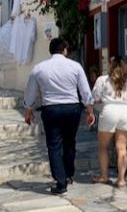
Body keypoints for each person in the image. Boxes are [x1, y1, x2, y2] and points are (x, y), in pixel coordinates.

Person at [24, 38, 95, 195]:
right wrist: (90, 111)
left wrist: (28, 110)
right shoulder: (75, 66)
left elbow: (31, 92)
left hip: (51, 109)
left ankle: (61, 182)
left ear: (50, 51)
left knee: (54, 145)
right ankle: (68, 174)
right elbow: (85, 91)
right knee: (70, 142)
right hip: (72, 108)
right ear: (65, 50)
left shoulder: (39, 68)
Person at [91, 56, 127, 188]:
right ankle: (121, 179)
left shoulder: (103, 80)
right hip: (125, 112)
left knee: (103, 146)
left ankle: (104, 176)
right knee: (122, 147)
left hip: (109, 110)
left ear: (111, 67)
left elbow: (95, 96)